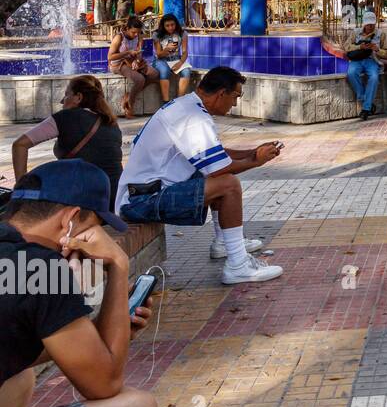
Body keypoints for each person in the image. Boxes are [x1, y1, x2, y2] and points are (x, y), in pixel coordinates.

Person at [0, 160, 158, 407]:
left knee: (19, 380)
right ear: (70, 220)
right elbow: (104, 384)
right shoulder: (40, 267)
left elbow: (16, 339)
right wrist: (118, 266)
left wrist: (104, 334)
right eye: (95, 228)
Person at [115, 66, 284, 284]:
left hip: (142, 194)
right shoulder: (193, 117)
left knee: (217, 178)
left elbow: (215, 157)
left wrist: (253, 152)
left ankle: (225, 242)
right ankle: (238, 266)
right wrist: (256, 160)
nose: (235, 104)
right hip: (140, 201)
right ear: (221, 93)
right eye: (235, 97)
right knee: (228, 184)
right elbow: (219, 169)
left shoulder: (188, 106)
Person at [11, 76, 124, 198]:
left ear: (78, 97)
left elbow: (19, 145)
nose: (62, 101)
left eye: (66, 95)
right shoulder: (111, 123)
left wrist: (20, 189)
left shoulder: (65, 117)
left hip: (81, 199)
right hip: (113, 198)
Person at [107, 17, 158, 119]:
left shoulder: (139, 37)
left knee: (154, 74)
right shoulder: (119, 38)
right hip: (118, 64)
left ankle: (128, 96)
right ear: (127, 28)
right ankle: (129, 105)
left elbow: (139, 53)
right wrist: (127, 53)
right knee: (140, 79)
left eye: (138, 32)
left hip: (131, 62)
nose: (135, 35)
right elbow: (110, 57)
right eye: (133, 32)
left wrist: (137, 60)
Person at [346, 11, 387, 119]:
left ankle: (365, 109)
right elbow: (346, 46)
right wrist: (360, 47)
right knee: (351, 73)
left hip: (371, 60)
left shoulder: (381, 34)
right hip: (357, 60)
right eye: (368, 24)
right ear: (364, 23)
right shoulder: (355, 33)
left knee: (374, 77)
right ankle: (366, 101)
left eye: (372, 24)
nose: (370, 26)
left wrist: (377, 49)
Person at [152, 13, 194, 103]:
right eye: (167, 26)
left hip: (176, 59)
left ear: (176, 24)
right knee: (164, 71)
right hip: (161, 60)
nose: (170, 27)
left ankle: (179, 101)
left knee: (186, 71)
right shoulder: (157, 34)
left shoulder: (182, 33)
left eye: (172, 25)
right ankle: (166, 102)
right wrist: (166, 49)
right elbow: (158, 54)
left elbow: (185, 52)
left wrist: (180, 63)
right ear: (163, 26)